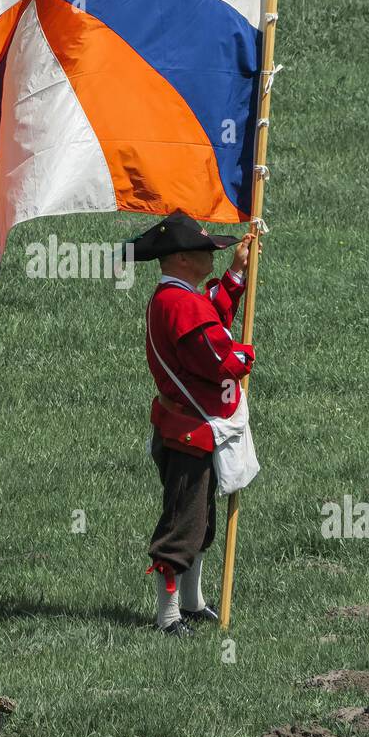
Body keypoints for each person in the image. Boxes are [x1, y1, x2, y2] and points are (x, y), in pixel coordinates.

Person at [127, 210, 257, 636]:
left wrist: (237, 272)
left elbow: (212, 318)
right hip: (190, 432)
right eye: (205, 251)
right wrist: (245, 356)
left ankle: (191, 602)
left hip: (186, 427)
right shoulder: (180, 303)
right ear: (182, 259)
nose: (212, 256)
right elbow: (218, 358)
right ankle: (167, 619)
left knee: (200, 521)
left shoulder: (179, 297)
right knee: (182, 526)